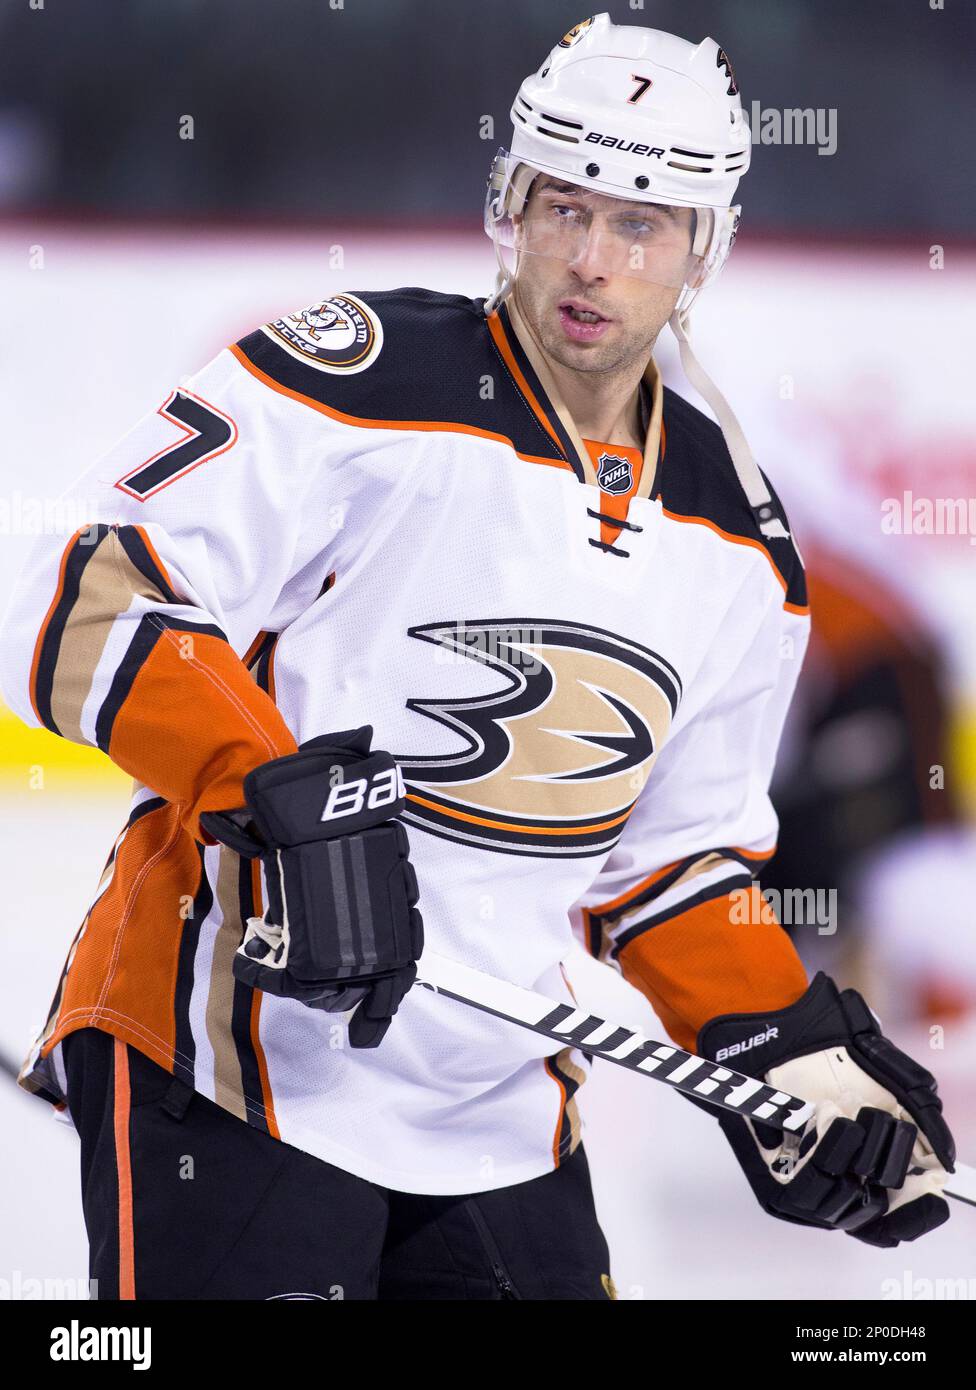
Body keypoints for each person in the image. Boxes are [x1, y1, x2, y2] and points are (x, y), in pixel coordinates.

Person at [0, 13, 954, 1301]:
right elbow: (83, 596)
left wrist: (780, 1049)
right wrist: (272, 798)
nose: (592, 259)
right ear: (510, 204)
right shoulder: (368, 376)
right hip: (221, 1056)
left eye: (640, 225)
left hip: (498, 1108)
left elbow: (672, 867)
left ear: (702, 251)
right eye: (564, 206)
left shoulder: (743, 545)